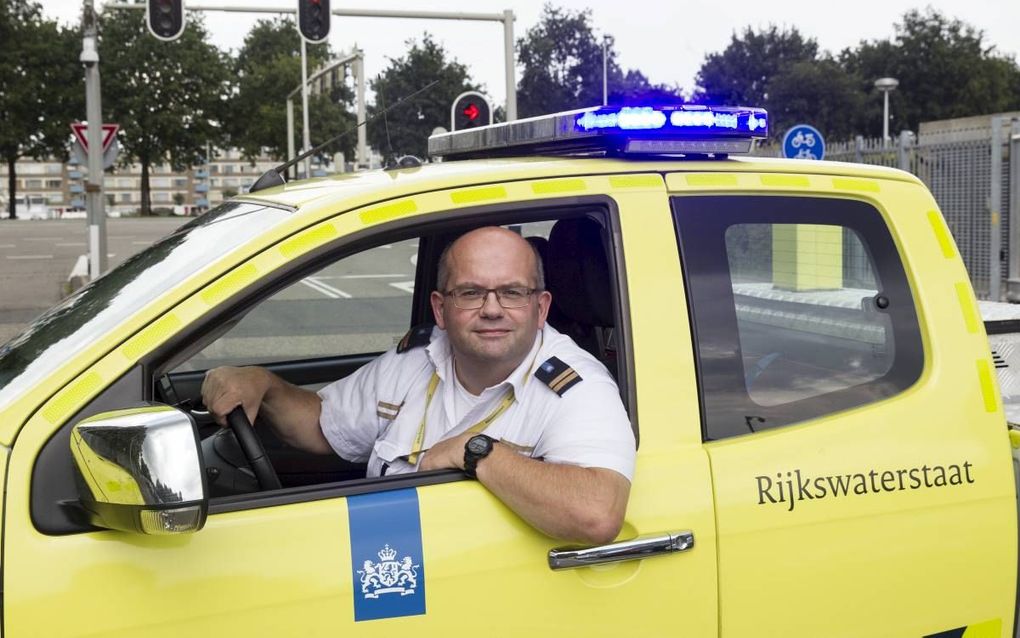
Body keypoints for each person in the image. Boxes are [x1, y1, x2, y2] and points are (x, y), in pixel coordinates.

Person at [202, 226, 635, 544]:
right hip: (400, 555)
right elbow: (322, 425)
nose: (491, 309)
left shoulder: (577, 386)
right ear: (441, 309)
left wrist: (475, 450)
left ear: (541, 308)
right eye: (470, 293)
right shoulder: (418, 358)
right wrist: (264, 384)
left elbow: (597, 513)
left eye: (512, 293)